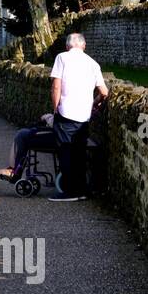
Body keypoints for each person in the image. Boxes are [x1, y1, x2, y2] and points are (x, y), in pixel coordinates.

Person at [48, 33, 108, 202]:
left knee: (66, 151)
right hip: (84, 115)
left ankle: (69, 191)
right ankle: (81, 190)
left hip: (66, 112)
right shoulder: (92, 63)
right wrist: (94, 103)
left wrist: (55, 108)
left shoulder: (62, 58)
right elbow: (104, 92)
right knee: (79, 152)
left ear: (67, 46)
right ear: (84, 46)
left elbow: (56, 86)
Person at [0, 113, 56, 181]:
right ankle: (13, 170)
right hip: (56, 133)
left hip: (56, 135)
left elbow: (59, 123)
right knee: (25, 131)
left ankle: (14, 171)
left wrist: (48, 117)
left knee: (22, 135)